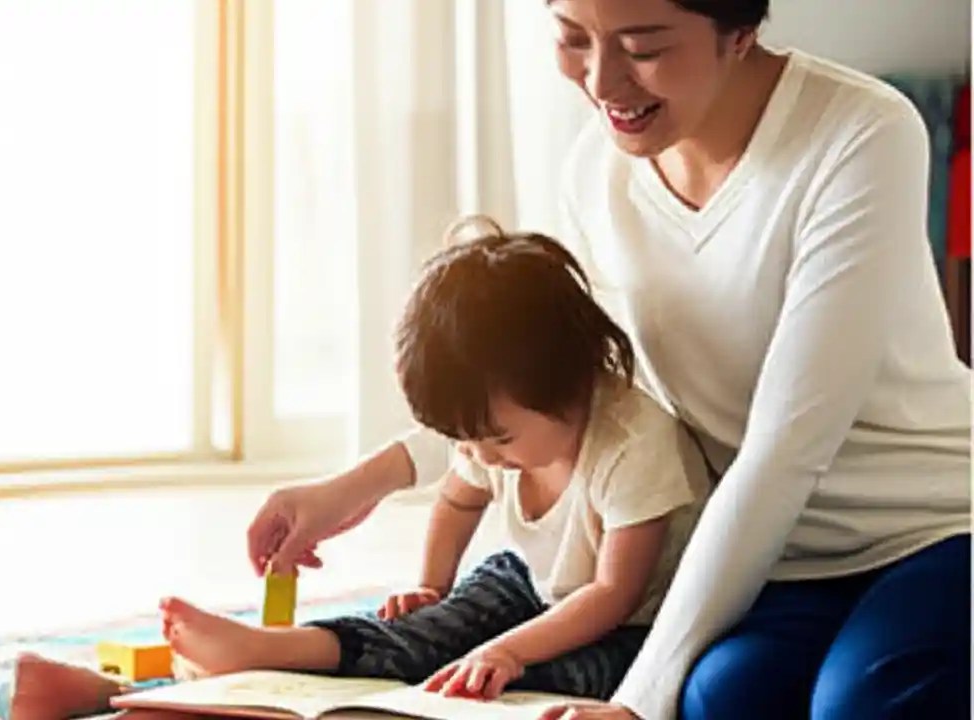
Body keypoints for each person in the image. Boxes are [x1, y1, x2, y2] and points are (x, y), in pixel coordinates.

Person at [247, 1, 973, 719]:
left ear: (741, 30)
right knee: (722, 701)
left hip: (931, 530)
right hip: (767, 562)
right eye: (572, 40)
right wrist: (356, 485)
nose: (602, 82)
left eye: (644, 47)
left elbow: (786, 447)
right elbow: (556, 398)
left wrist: (636, 703)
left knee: (869, 704)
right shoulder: (596, 172)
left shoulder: (859, 133)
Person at [4, 220, 711, 717]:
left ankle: (171, 693)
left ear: (570, 381)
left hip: (626, 626)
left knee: (504, 689)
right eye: (469, 441)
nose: (484, 459)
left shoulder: (632, 440)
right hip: (526, 588)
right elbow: (459, 504)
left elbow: (615, 592)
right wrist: (432, 585)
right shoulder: (494, 432)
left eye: (495, 439)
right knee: (422, 636)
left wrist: (505, 652)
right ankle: (268, 654)